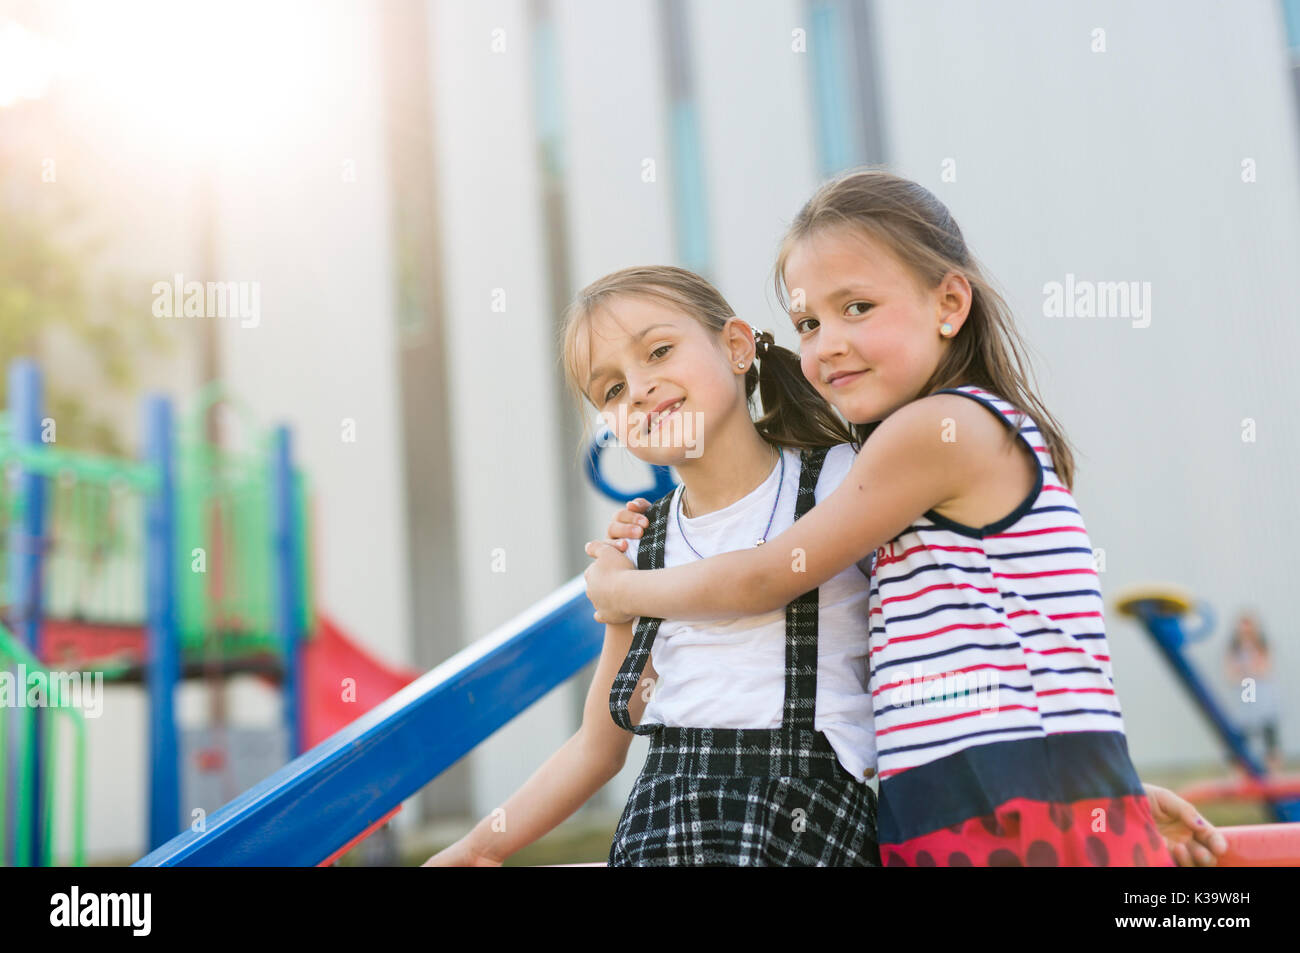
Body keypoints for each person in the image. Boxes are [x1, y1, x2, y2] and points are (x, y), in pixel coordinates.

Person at [584, 169, 1229, 867]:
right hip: (961, 808)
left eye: (856, 307)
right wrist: (1110, 798)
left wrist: (621, 592)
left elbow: (768, 576)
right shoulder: (909, 458)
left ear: (949, 302)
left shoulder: (939, 429)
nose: (826, 342)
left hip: (1010, 813)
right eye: (808, 322)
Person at [425, 265, 880, 866]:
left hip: (805, 819)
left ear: (737, 347)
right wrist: (478, 848)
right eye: (611, 390)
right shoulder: (640, 551)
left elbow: (766, 581)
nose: (637, 389)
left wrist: (629, 593)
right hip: (664, 822)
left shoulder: (844, 481)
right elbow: (599, 745)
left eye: (659, 351)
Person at [1225, 611, 1281, 775]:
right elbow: (1231, 674)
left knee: (1268, 731)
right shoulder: (1234, 648)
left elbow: (1265, 669)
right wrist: (1244, 671)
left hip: (1262, 694)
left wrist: (1251, 667)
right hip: (1244, 693)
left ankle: (1272, 772)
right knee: (1242, 731)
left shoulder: (1262, 646)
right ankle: (1239, 772)